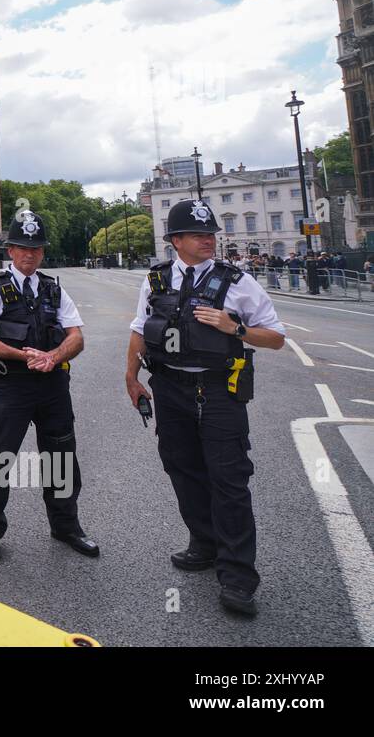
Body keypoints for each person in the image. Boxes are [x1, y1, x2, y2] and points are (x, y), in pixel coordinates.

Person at [124, 199, 285, 618]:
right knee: (182, 468)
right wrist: (131, 378)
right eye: (198, 235)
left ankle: (237, 576)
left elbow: (277, 337)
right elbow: (140, 330)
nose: (208, 241)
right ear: (176, 241)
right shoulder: (156, 281)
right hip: (169, 388)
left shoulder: (238, 282)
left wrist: (237, 328)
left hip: (218, 391)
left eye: (211, 234)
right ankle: (204, 542)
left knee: (229, 479)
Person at [0, 210, 95, 563]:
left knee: (61, 459)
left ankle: (66, 526)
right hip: (12, 387)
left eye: (36, 248)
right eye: (23, 248)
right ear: (10, 250)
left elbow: (77, 337)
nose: (30, 254)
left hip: (53, 385)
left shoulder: (54, 289)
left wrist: (53, 357)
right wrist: (24, 356)